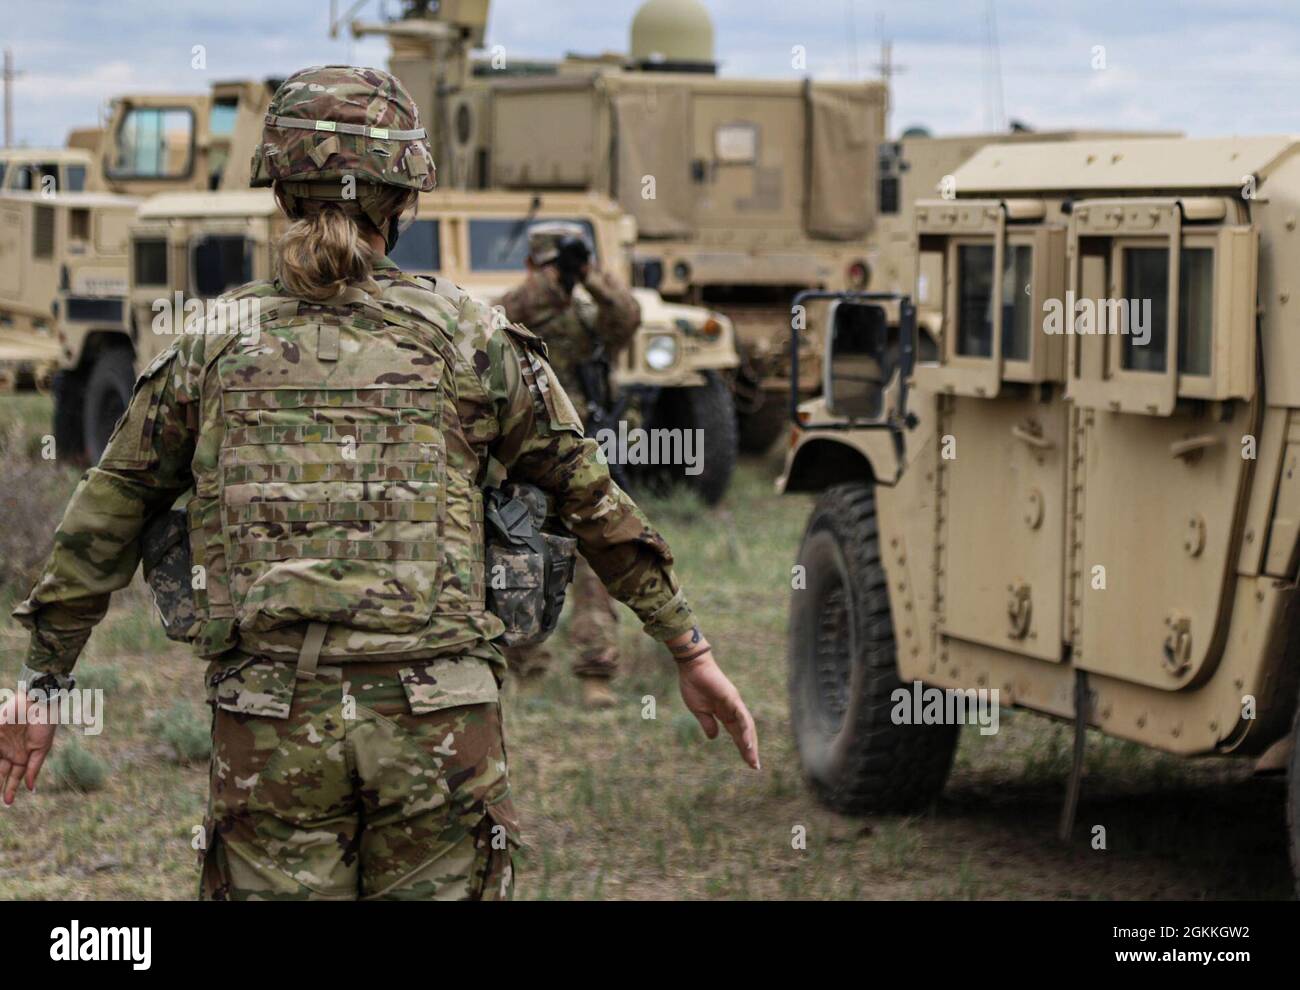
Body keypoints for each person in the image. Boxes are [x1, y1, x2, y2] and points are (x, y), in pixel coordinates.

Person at [0, 65, 759, 901]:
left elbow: (108, 510)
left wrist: (44, 681)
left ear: (280, 192)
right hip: (440, 718)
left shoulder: (211, 346)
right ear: (403, 201)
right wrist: (688, 647)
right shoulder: (474, 337)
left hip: (271, 720)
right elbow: (588, 494)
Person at [497, 224, 641, 708]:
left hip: (583, 448)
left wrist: (592, 278)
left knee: (591, 559)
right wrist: (550, 281)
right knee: (523, 556)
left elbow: (627, 318)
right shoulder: (514, 308)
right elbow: (508, 317)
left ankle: (595, 671)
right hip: (525, 451)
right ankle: (525, 667)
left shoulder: (588, 315)